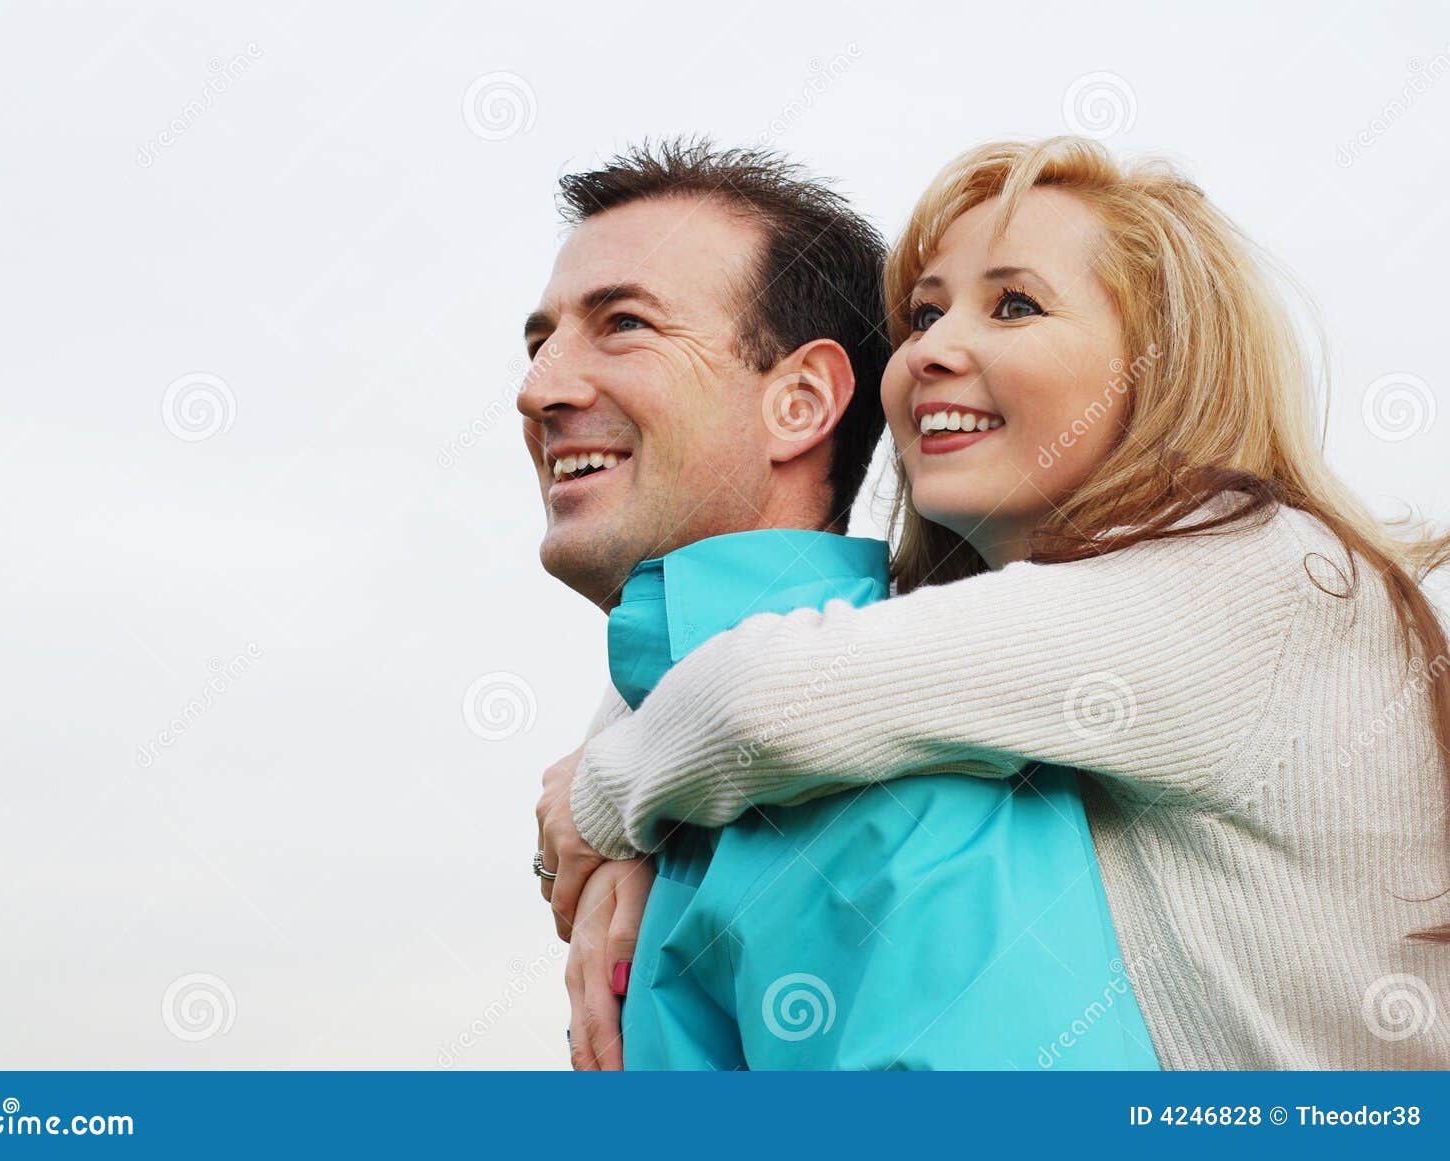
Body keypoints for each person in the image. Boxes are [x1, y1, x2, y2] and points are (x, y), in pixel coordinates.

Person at [540, 136, 1450, 1069]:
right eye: (925, 314)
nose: (933, 348)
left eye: (1014, 305)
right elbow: (770, 654)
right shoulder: (1031, 627)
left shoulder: (1265, 574)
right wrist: (634, 813)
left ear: (1162, 366)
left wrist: (604, 798)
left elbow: (765, 700)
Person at [521, 139, 1156, 1070]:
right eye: (539, 342)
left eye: (624, 324)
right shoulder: (678, 774)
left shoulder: (898, 774)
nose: (539, 388)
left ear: (801, 402)